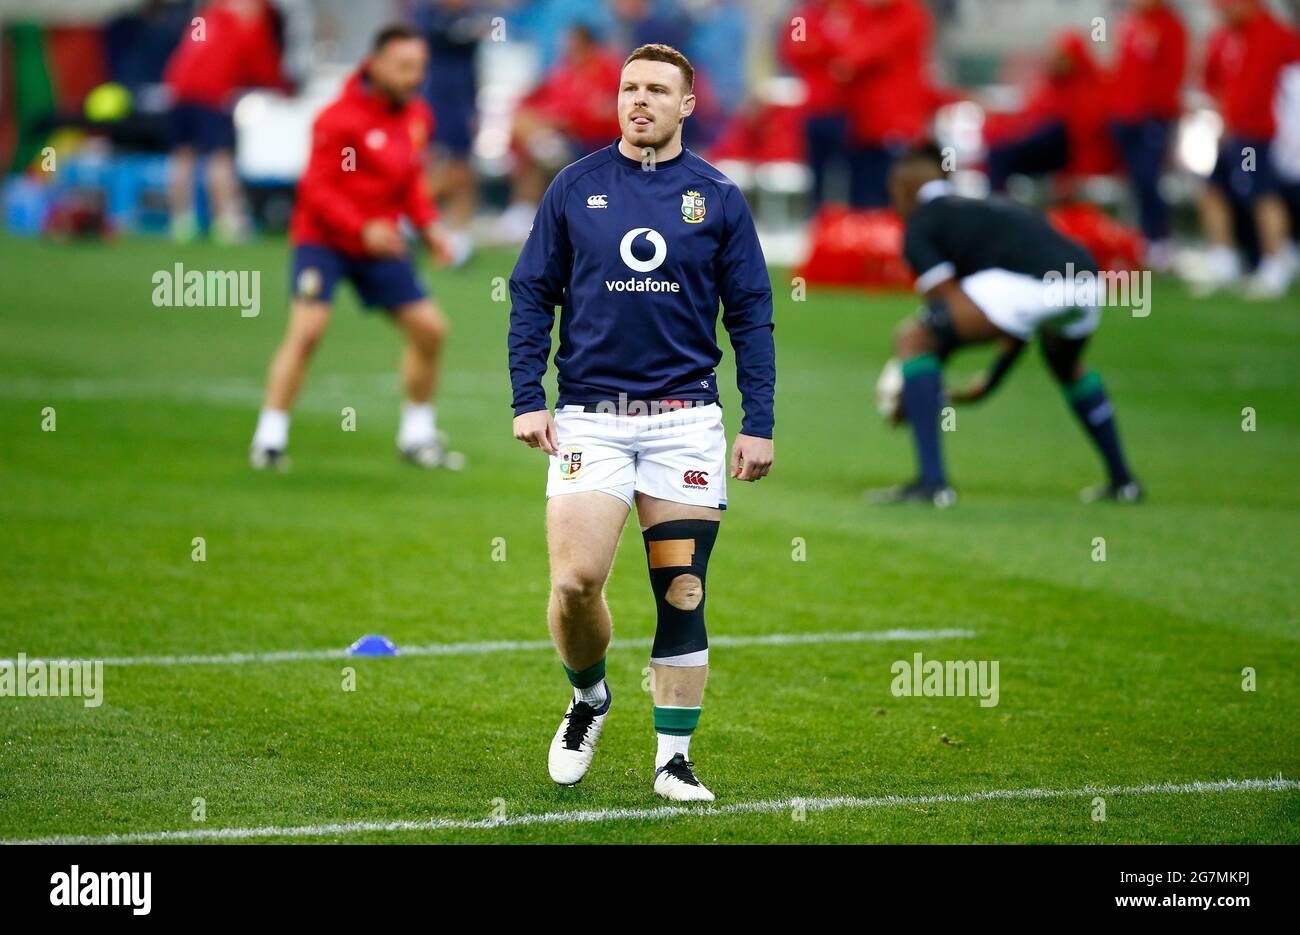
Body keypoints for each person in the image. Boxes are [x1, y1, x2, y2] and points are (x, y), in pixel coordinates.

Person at [508, 44, 775, 801]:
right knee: (574, 581)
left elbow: (752, 314)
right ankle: (589, 696)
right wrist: (528, 395)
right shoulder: (574, 186)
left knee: (682, 587)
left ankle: (672, 760)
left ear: (688, 104)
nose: (640, 100)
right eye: (630, 88)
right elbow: (532, 294)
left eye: (658, 90)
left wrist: (759, 420)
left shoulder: (717, 197)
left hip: (685, 420)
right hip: (590, 417)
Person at [871, 145, 1141, 506]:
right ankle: (1124, 482)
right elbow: (1017, 321)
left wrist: (915, 387)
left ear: (905, 186)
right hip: (1087, 282)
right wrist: (992, 380)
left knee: (915, 338)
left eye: (893, 190)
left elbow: (948, 311)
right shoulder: (990, 206)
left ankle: (932, 484)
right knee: (1066, 366)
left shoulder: (921, 224)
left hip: (1031, 288)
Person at [250, 25, 459, 471]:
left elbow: (410, 186)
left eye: (419, 67)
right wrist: (361, 227)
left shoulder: (417, 116)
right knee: (307, 331)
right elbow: (316, 191)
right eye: (404, 67)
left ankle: (417, 436)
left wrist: (431, 230)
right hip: (323, 241)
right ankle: (269, 439)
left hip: (380, 244)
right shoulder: (336, 118)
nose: (413, 77)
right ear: (376, 63)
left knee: (430, 330)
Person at [1197, 0, 1300, 298]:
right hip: (1232, 132)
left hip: (1259, 134)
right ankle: (1223, 260)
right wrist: (1222, 115)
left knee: (1261, 195)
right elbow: (1211, 77)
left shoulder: (1275, 35)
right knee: (1213, 191)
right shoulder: (1224, 36)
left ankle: (1275, 264)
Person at [162, 0, 287, 243]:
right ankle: (227, 222)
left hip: (177, 91)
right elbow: (263, 63)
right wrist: (283, 88)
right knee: (219, 159)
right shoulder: (247, 22)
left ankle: (181, 222)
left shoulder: (209, 15)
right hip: (212, 94)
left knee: (182, 157)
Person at [1109, 0, 1187, 271]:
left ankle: (1160, 241)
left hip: (1153, 117)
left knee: (1149, 178)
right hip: (1125, 116)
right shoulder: (1130, 23)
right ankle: (1142, 239)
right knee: (1136, 182)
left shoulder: (1171, 26)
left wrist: (1156, 111)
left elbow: (1172, 75)